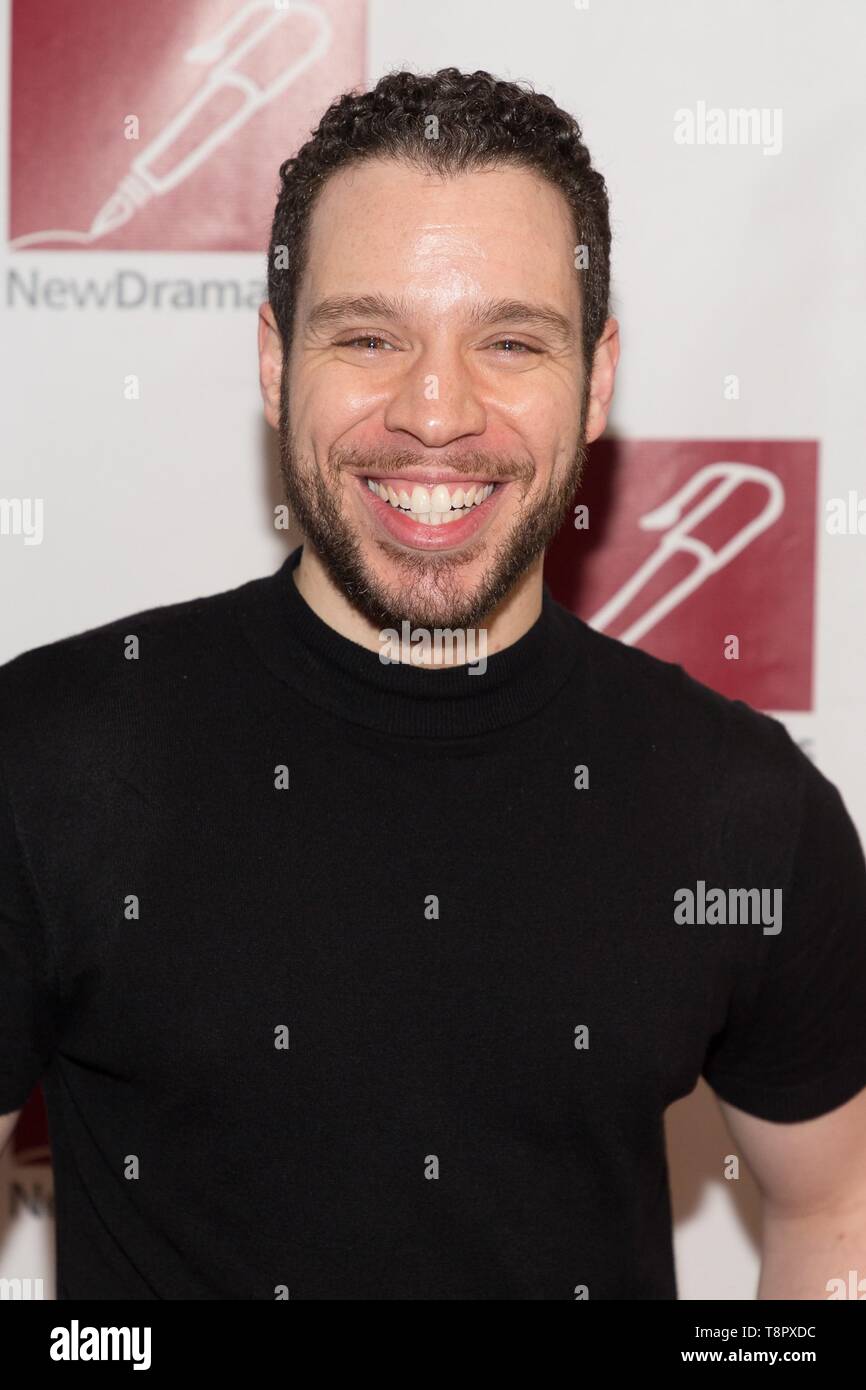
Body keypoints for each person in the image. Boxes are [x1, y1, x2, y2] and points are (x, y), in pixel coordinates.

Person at [1, 68, 865, 1301]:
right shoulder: (48, 756)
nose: (434, 413)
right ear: (271, 360)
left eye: (510, 341)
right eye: (368, 336)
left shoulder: (743, 807)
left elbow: (837, 1207)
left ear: (597, 378)